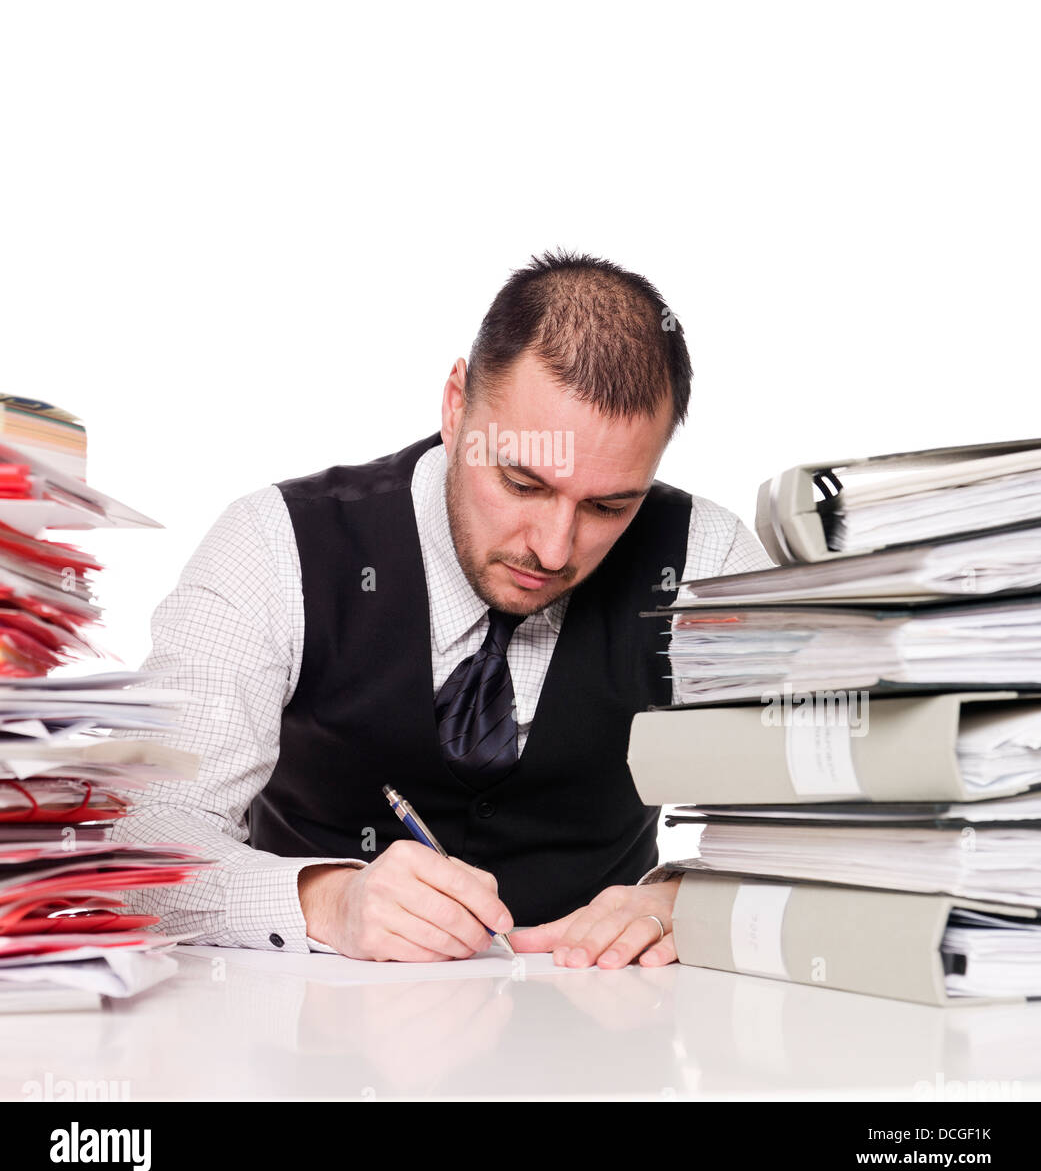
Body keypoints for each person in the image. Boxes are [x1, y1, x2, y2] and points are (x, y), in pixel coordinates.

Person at [111, 249, 771, 967]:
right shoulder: (273, 546)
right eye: (522, 483)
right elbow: (142, 837)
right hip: (316, 1045)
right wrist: (327, 901)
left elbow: (826, 821)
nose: (553, 550)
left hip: (599, 1048)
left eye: (609, 506)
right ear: (456, 406)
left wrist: (685, 898)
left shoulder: (703, 559)